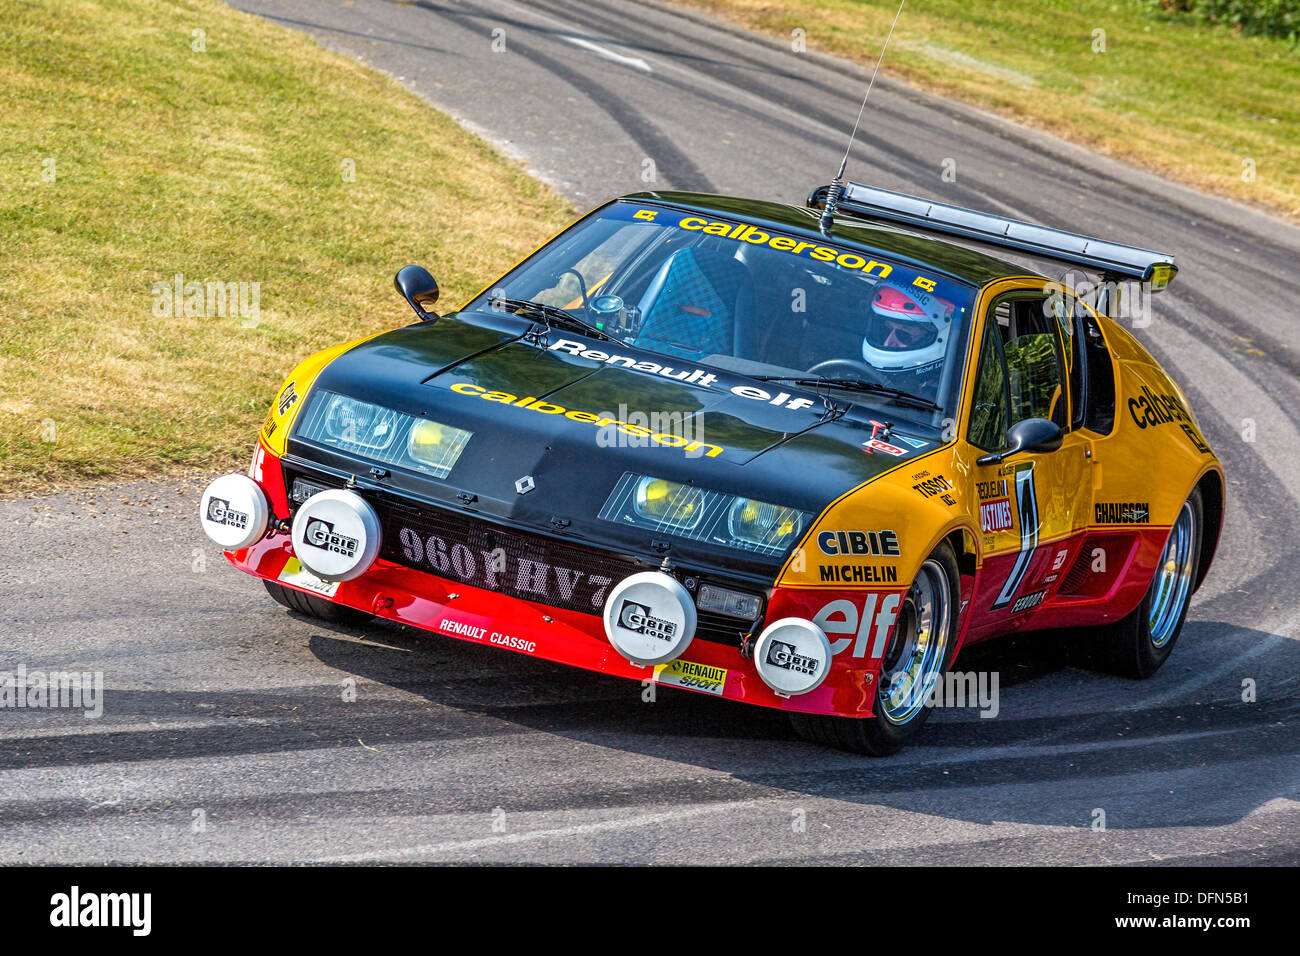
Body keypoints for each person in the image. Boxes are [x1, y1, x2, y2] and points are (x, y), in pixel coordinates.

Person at [861, 281, 955, 395]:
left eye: (904, 335)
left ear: (941, 337)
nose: (888, 343)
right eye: (886, 330)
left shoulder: (950, 395)